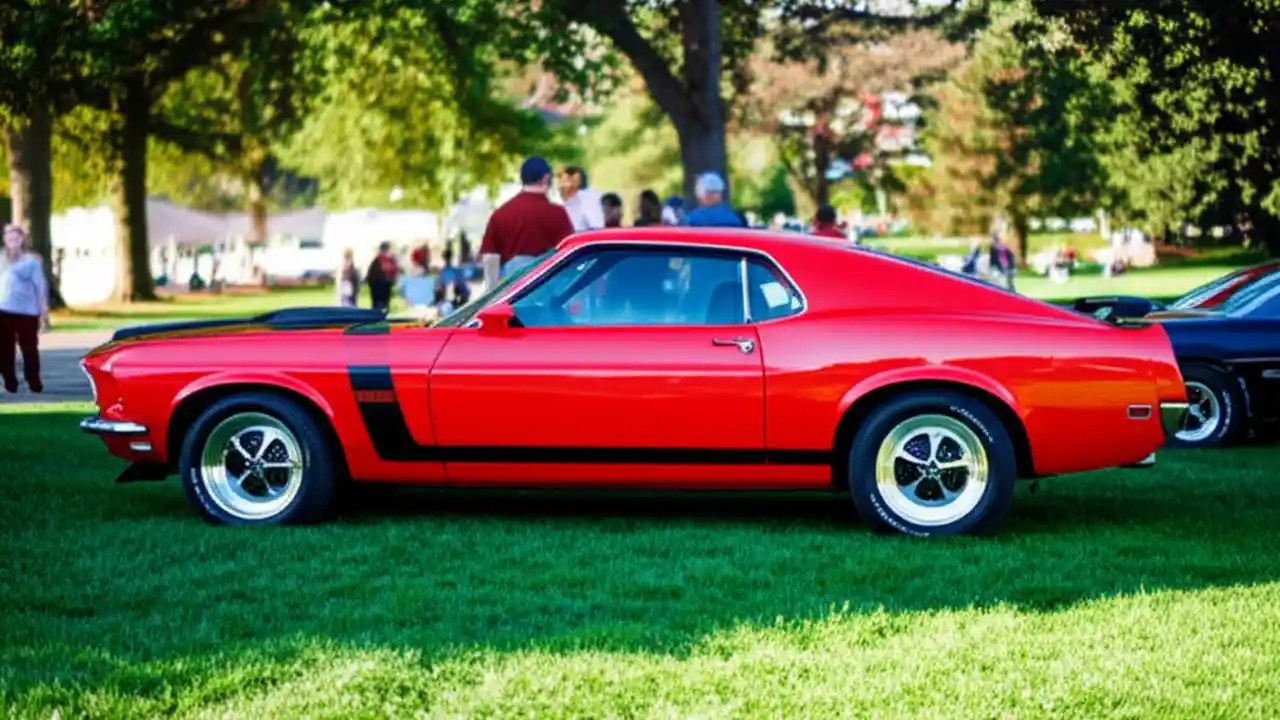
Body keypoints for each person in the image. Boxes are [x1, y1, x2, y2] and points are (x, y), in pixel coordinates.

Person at [479, 156, 575, 280]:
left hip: (511, 292)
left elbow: (490, 258)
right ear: (545, 178)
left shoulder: (500, 214)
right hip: (548, 290)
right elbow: (569, 254)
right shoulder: (557, 214)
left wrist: (492, 292)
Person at [0, 225, 49, 393]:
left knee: (29, 348)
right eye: (9, 238)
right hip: (3, 310)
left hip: (27, 312)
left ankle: (34, 381)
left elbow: (40, 286)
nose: (13, 242)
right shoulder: (1, 259)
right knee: (4, 349)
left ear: (22, 240)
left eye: (16, 238)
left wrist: (43, 310)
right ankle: (10, 382)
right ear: (5, 240)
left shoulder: (31, 262)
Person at [559, 165, 604, 232]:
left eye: (565, 182)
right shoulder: (564, 201)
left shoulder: (589, 198)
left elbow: (597, 227)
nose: (561, 186)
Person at [400, 246, 436, 319]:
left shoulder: (406, 278)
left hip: (411, 311)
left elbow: (402, 295)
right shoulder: (430, 279)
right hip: (427, 311)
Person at [366, 241, 400, 313]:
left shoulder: (378, 259)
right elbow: (393, 271)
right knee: (382, 306)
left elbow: (370, 276)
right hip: (382, 286)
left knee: (379, 306)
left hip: (381, 286)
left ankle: (378, 318)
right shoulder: (383, 259)